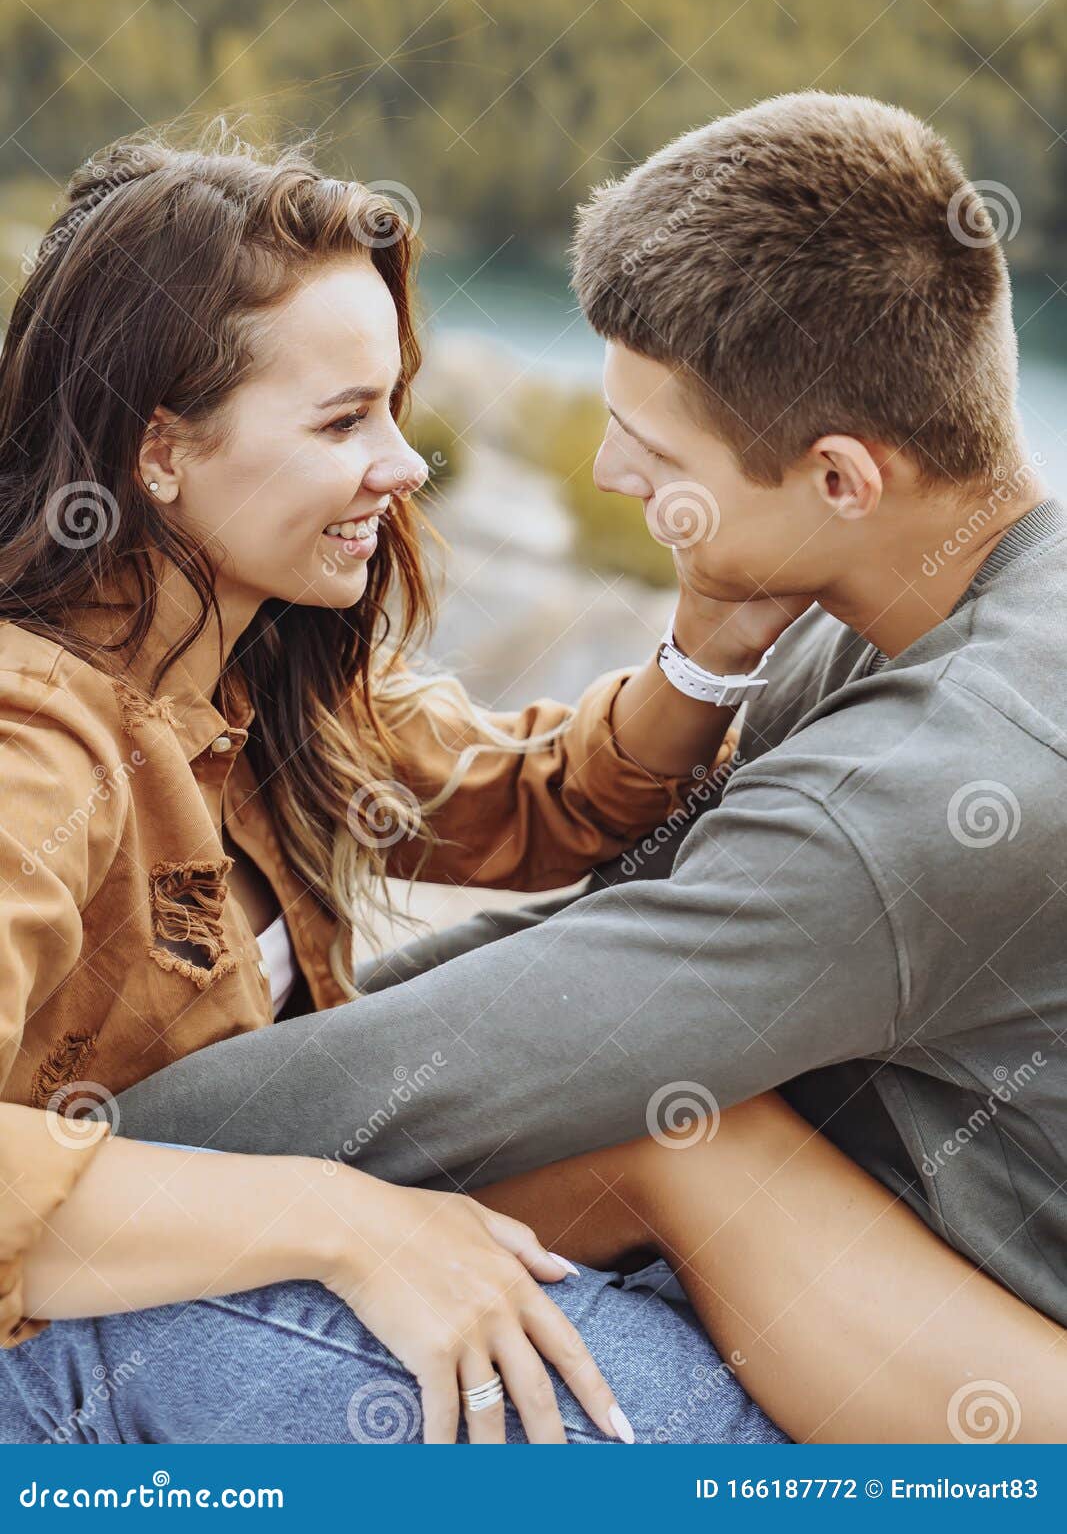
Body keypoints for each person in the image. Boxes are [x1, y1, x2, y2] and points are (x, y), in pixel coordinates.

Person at [95, 92, 1067, 1443]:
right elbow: (600, 942)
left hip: (990, 1389)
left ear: (842, 480)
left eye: (654, 450)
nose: (608, 470)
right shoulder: (902, 617)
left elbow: (507, 1050)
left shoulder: (931, 785)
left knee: (111, 1334)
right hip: (856, 1246)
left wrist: (73, 1159)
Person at [0, 121, 781, 1445]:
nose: (407, 464)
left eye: (395, 404)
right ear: (161, 451)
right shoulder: (34, 738)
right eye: (343, 419)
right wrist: (346, 1219)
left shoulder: (260, 672)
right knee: (672, 1430)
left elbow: (541, 797)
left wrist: (712, 646)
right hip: (59, 1351)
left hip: (218, 1280)